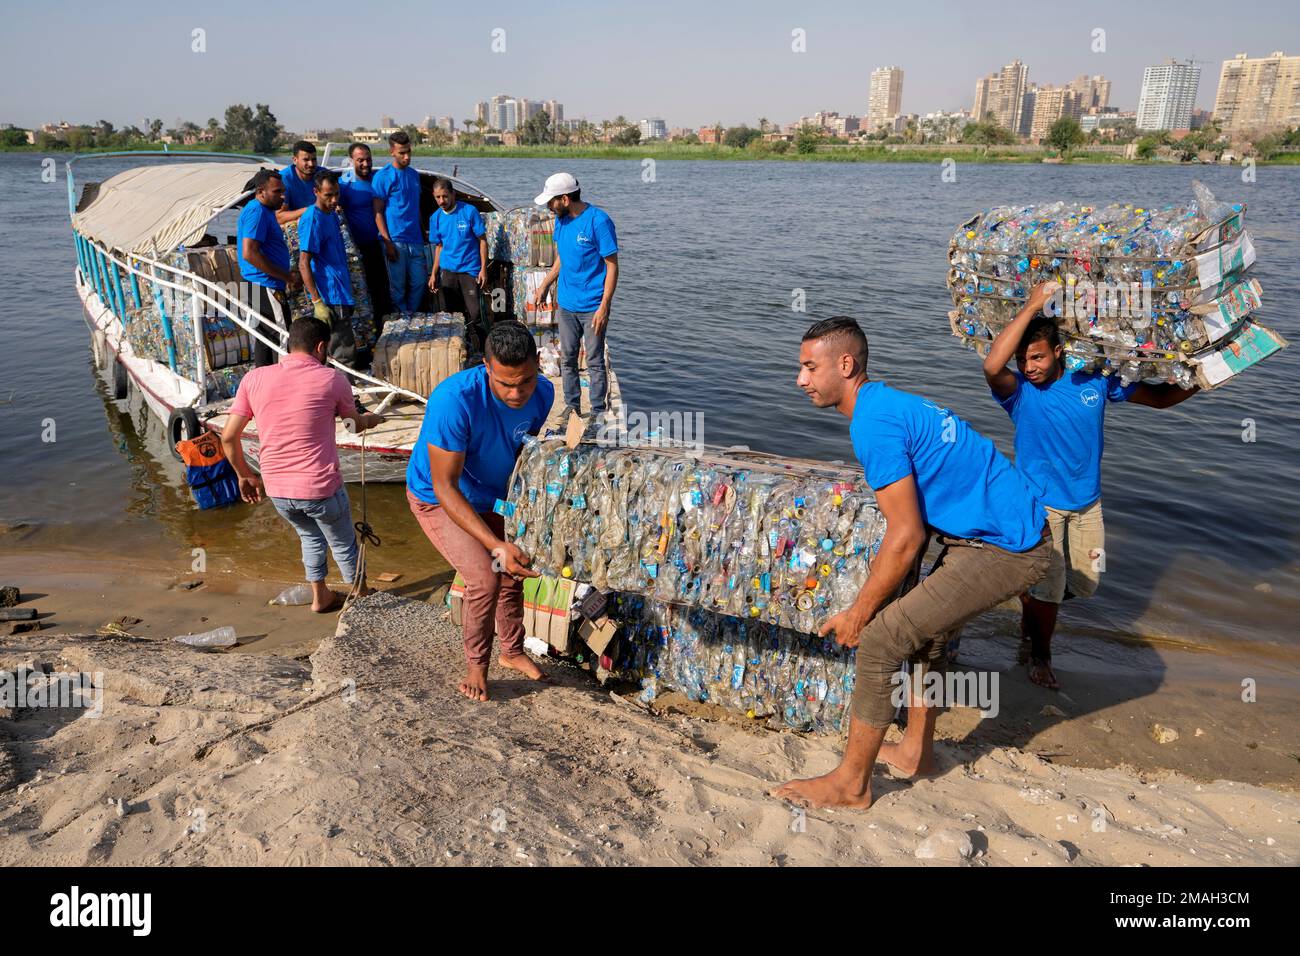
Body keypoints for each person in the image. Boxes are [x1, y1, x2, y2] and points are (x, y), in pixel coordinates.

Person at [771, 317, 1052, 810]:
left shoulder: (873, 425)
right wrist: (901, 595)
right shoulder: (886, 404)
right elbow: (918, 524)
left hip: (1012, 546)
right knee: (924, 632)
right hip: (987, 533)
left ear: (845, 364)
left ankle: (853, 785)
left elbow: (906, 536)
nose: (800, 380)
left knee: (880, 641)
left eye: (809, 368)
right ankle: (918, 752)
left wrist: (861, 615)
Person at [983, 281, 1199, 689]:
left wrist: (1203, 378)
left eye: (1037, 357)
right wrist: (1032, 305)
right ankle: (1041, 655)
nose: (1029, 366)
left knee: (1082, 583)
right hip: (1039, 505)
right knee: (1049, 587)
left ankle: (1030, 606)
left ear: (1059, 352)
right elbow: (992, 368)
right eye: (1023, 359)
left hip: (1087, 504)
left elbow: (1159, 399)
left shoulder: (1095, 381)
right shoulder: (1020, 393)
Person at [406, 320, 555, 702]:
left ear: (538, 363)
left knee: (513, 571)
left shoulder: (544, 393)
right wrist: (493, 543)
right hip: (437, 497)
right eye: (505, 383)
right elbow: (445, 486)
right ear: (486, 367)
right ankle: (477, 666)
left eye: (525, 380)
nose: (517, 392)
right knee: (484, 578)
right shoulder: (453, 401)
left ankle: (513, 651)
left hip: (494, 494)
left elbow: (523, 451)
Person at [220, 317, 385, 612]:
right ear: (321, 347)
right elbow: (352, 425)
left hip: (278, 490)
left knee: (309, 536)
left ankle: (320, 596)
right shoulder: (333, 379)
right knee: (343, 542)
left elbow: (229, 437)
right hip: (320, 487)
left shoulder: (254, 379)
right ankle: (361, 596)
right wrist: (371, 420)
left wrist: (244, 476)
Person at [529, 172, 618, 419]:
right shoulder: (561, 220)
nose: (548, 206)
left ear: (565, 199)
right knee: (567, 357)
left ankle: (598, 410)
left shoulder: (598, 221)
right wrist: (545, 284)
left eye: (551, 201)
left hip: (592, 306)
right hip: (567, 304)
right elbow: (562, 258)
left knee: (594, 360)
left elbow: (612, 265)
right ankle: (573, 405)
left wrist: (604, 307)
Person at [237, 169, 301, 367]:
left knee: (265, 340)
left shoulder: (264, 211)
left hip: (260, 284)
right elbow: (250, 252)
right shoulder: (256, 212)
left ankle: (264, 387)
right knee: (281, 338)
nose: (282, 196)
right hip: (265, 284)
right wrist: (287, 276)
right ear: (261, 191)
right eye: (277, 192)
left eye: (283, 191)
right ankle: (281, 390)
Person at [297, 169, 358, 368]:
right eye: (328, 195)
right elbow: (304, 262)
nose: (334, 200)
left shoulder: (331, 214)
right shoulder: (313, 219)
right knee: (343, 354)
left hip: (342, 291)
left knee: (340, 349)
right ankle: (346, 396)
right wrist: (317, 302)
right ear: (316, 192)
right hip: (330, 295)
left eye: (336, 194)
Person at [428, 176, 488, 355]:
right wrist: (433, 274)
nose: (442, 201)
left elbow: (482, 241)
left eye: (445, 196)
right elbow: (439, 247)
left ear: (453, 194)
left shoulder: (469, 211)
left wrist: (483, 269)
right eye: (438, 197)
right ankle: (458, 352)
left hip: (470, 270)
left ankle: (483, 351)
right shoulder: (435, 218)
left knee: (475, 314)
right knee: (452, 316)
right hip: (448, 271)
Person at [371, 131, 428, 314]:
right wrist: (387, 242)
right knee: (397, 288)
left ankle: (409, 314)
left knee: (419, 282)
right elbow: (377, 212)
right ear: (392, 152)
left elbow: (416, 206)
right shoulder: (383, 176)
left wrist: (423, 231)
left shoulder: (413, 175)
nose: (407, 156)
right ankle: (402, 320)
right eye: (402, 152)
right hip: (395, 240)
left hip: (416, 240)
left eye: (409, 151)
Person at [339, 142, 395, 325]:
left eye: (368, 159)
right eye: (360, 160)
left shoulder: (378, 179)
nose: (365, 164)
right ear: (351, 161)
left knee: (382, 289)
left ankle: (386, 326)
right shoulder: (344, 184)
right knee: (361, 290)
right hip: (356, 248)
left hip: (379, 244)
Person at [276, 141, 319, 224]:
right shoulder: (283, 179)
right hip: (294, 228)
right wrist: (310, 210)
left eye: (314, 160)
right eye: (306, 160)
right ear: (295, 160)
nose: (311, 164)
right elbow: (279, 217)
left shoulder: (323, 174)